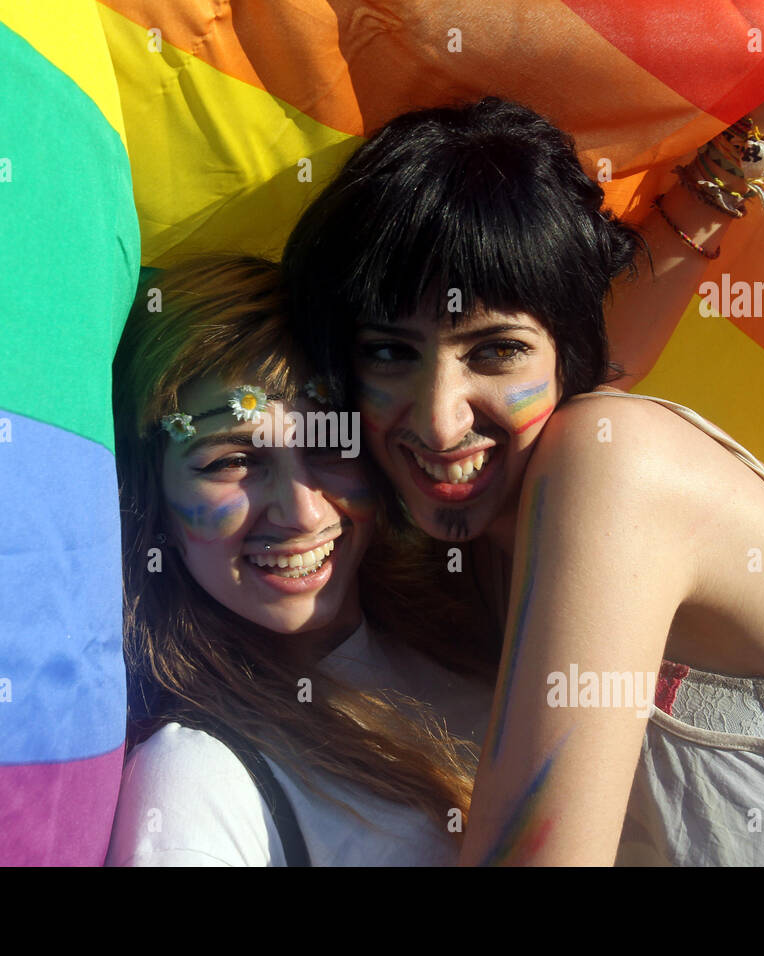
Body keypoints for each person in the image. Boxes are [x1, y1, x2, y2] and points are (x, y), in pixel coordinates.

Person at [280, 8, 764, 865]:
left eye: (495, 350)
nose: (442, 417)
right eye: (388, 352)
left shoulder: (608, 462)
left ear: (565, 359)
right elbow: (603, 347)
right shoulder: (536, 464)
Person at [106, 255, 498, 866]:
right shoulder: (194, 785)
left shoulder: (485, 610)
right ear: (150, 498)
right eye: (231, 462)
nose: (303, 513)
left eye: (329, 446)